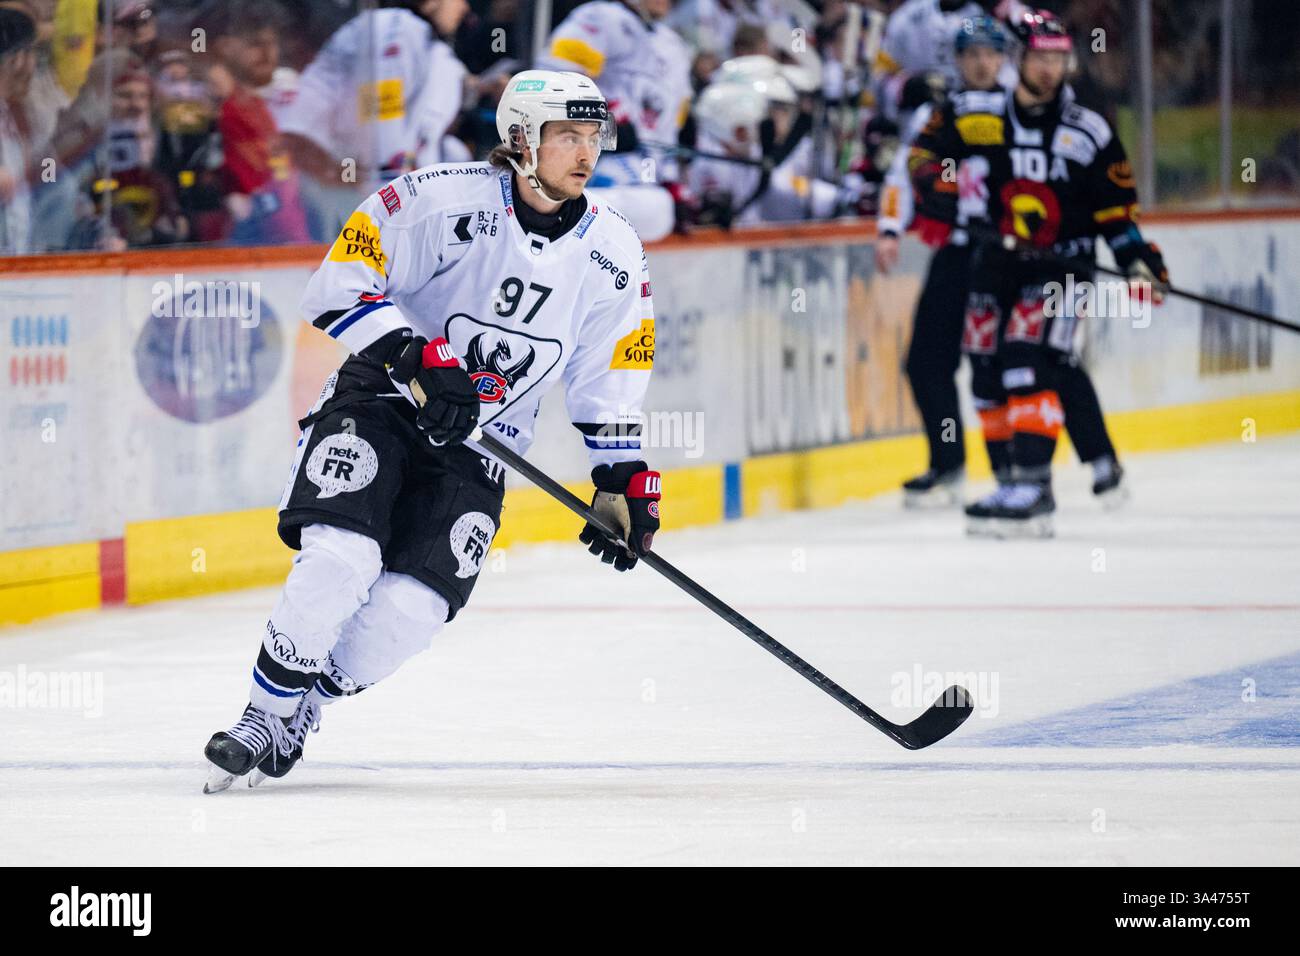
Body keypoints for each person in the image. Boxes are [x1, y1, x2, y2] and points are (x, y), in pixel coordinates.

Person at [203, 70, 661, 793]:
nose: (585, 153)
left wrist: (622, 480)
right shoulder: (436, 199)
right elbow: (337, 284)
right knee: (342, 559)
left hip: (481, 447)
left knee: (409, 612)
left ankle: (305, 708)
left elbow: (608, 375)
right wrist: (414, 355)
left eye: (593, 136)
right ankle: (261, 714)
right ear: (520, 139)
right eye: (566, 136)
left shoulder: (614, 253)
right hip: (382, 402)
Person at [909, 8, 1168, 537]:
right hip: (995, 262)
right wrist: (945, 190)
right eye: (1040, 57)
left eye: (1059, 59)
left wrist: (1138, 262)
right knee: (984, 367)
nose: (1050, 69)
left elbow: (1116, 212)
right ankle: (1008, 481)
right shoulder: (984, 118)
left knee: (1028, 360)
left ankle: (1034, 486)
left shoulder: (1087, 130)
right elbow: (925, 157)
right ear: (1020, 58)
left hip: (1061, 267)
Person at [276, 0, 470, 238]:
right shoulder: (396, 26)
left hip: (369, 196)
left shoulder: (423, 41)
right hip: (363, 201)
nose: (464, 8)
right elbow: (380, 122)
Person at [539, 0, 692, 240]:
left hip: (648, 176)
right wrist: (605, 128)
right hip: (599, 167)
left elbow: (669, 127)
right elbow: (554, 80)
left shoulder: (674, 45)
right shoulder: (600, 17)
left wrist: (671, 181)